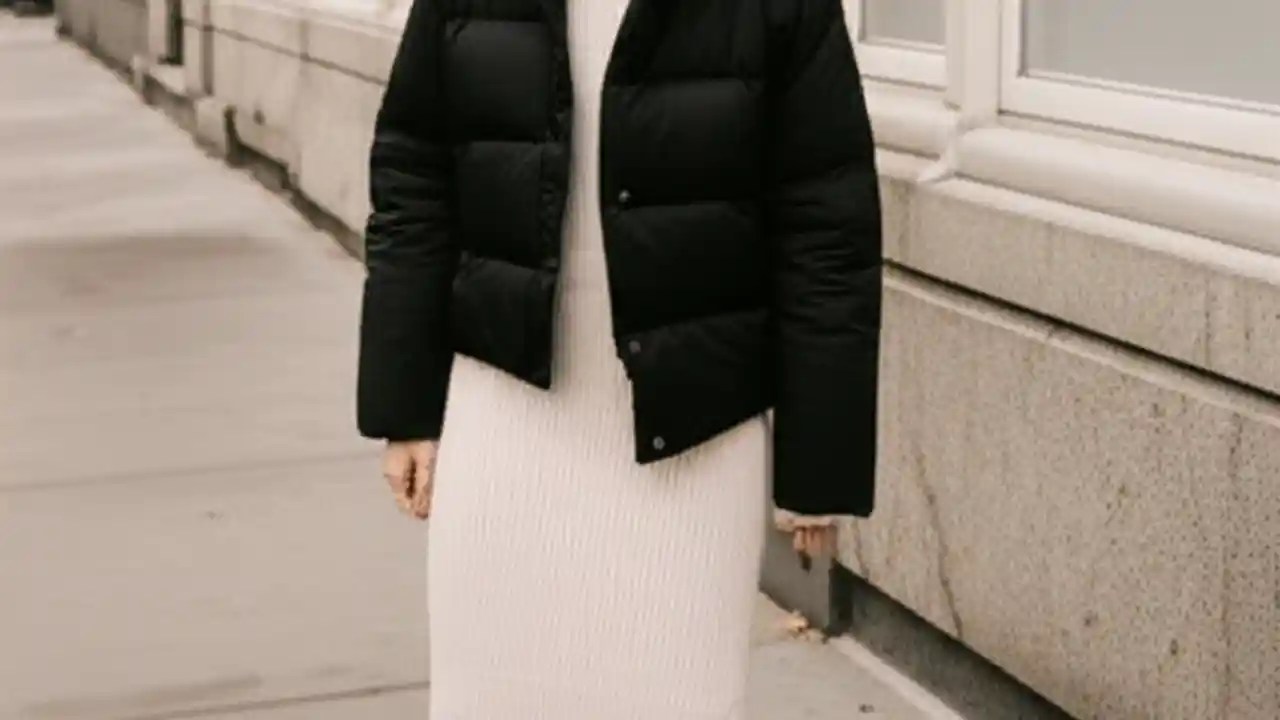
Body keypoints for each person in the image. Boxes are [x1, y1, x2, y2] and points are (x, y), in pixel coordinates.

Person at [357, 0, 882, 716]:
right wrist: (405, 406)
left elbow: (828, 229)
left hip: (694, 439)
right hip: (504, 419)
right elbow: (413, 180)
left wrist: (818, 464)